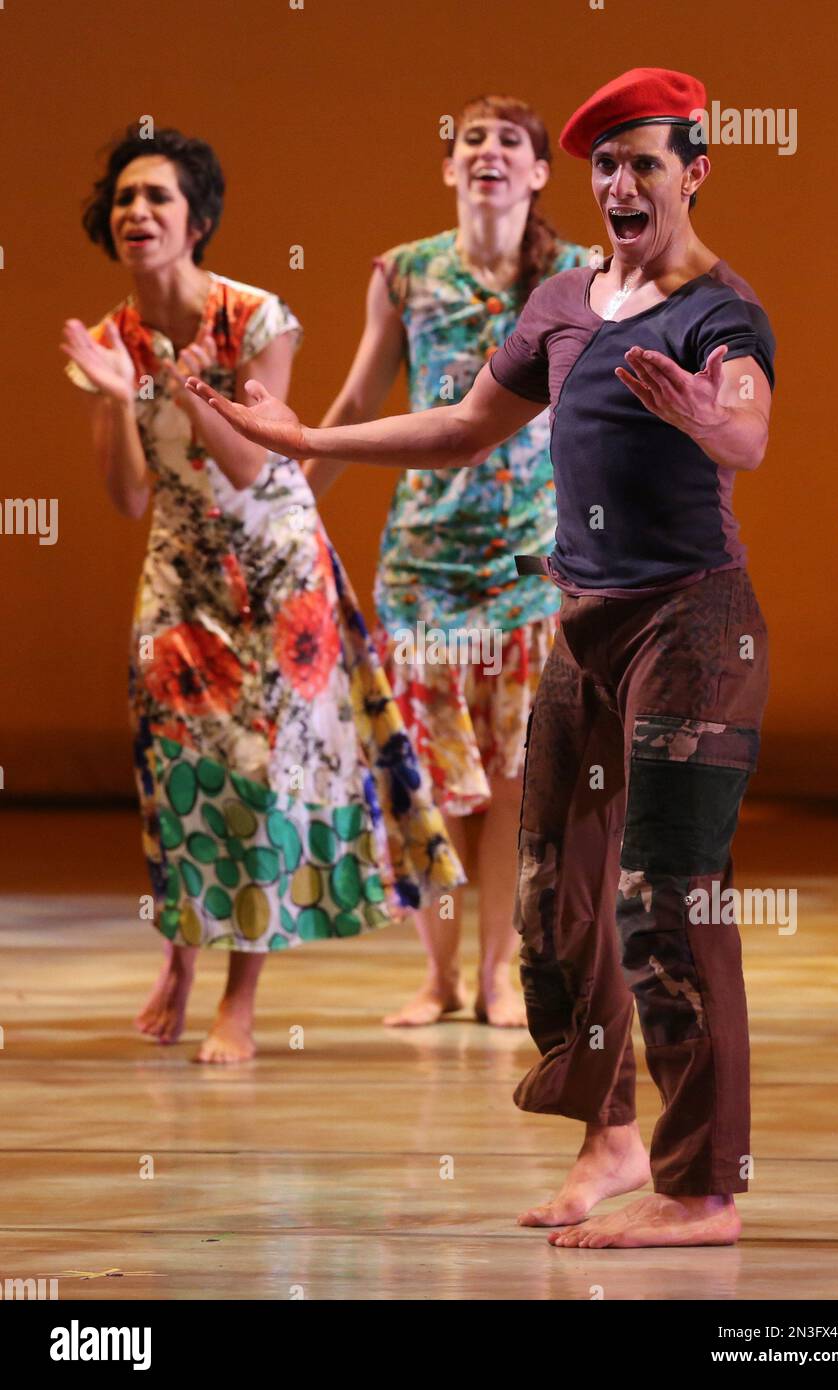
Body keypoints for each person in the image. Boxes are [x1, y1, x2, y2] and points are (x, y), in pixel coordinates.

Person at [184, 64, 776, 1249]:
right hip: (585, 625)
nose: (617, 182)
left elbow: (746, 423)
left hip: (694, 625)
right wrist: (304, 435)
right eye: (603, 163)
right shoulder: (559, 303)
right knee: (558, 898)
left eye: (642, 163)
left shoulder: (720, 310)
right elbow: (462, 428)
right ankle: (608, 1134)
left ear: (693, 173)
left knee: (664, 890)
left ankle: (703, 1182)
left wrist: (712, 422)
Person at [61, 124, 462, 1064]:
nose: (138, 213)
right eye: (125, 199)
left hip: (279, 574)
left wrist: (180, 380)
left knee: (260, 779)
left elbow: (249, 465)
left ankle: (238, 998)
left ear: (195, 220)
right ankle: (180, 955)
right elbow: (126, 497)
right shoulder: (108, 341)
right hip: (181, 570)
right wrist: (117, 397)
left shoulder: (255, 318)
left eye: (157, 197)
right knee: (177, 772)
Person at [303, 96, 590, 1027]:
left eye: (511, 142)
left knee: (512, 778)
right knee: (424, 773)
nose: (489, 153)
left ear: (540, 172)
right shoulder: (406, 273)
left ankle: (501, 969)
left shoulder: (578, 274)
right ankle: (438, 974)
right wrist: (292, 499)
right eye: (472, 139)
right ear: (448, 164)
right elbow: (354, 399)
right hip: (425, 563)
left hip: (527, 564)